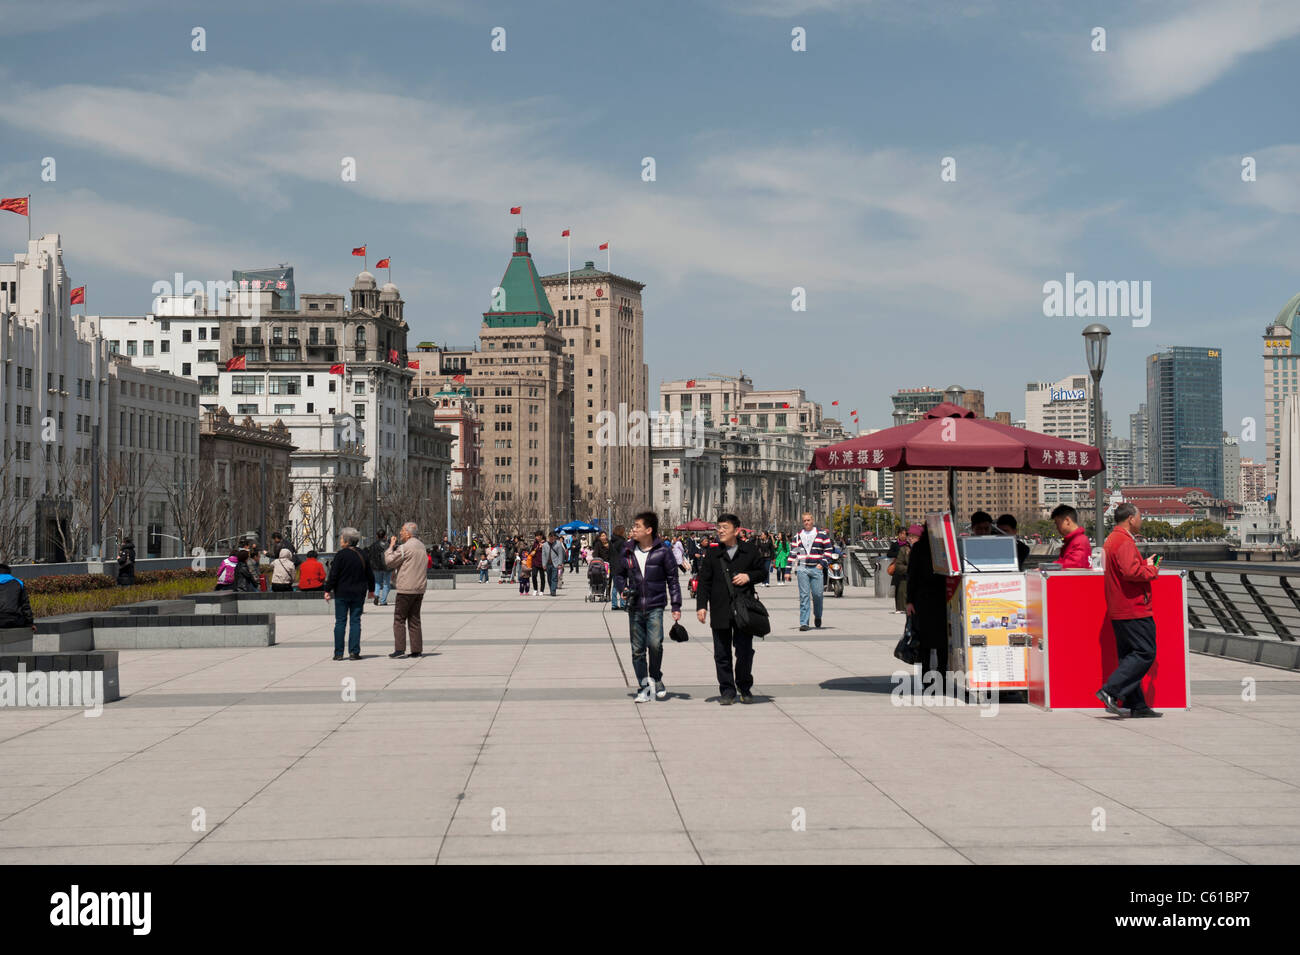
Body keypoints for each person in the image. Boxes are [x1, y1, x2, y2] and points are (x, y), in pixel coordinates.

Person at [1097, 503, 1163, 718]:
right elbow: (1130, 571)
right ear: (1131, 518)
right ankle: (1110, 691)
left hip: (1119, 608)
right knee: (1145, 652)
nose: (1141, 520)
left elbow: (1126, 568)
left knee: (1128, 657)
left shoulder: (1112, 540)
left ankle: (1138, 706)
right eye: (1140, 516)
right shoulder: (1123, 541)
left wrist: (1143, 564)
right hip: (1133, 607)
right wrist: (1151, 570)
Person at [696, 513, 768, 705]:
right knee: (721, 653)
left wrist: (748, 577)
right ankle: (727, 690)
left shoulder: (749, 550)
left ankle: (744, 687)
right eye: (718, 527)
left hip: (743, 611)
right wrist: (701, 606)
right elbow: (704, 582)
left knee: (744, 651)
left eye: (724, 528)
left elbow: (763, 571)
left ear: (736, 530)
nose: (720, 531)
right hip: (720, 609)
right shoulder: (713, 553)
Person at [611, 511, 682, 703]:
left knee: (655, 644)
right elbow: (618, 574)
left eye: (637, 526)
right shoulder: (627, 550)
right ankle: (644, 686)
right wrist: (622, 588)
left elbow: (673, 580)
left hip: (655, 605)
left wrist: (676, 605)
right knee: (637, 650)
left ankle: (656, 678)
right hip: (634, 606)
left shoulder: (663, 551)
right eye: (633, 526)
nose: (633, 529)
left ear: (649, 530)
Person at [906, 526, 951, 684]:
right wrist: (909, 601)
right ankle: (938, 676)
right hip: (933, 599)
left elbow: (912, 575)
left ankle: (934, 676)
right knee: (936, 642)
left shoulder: (922, 547)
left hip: (927, 599)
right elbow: (912, 574)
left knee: (931, 642)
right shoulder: (940, 546)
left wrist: (910, 600)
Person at [323, 527, 375, 661]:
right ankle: (354, 652)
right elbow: (369, 573)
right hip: (358, 593)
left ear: (346, 541)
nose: (340, 540)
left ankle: (338, 653)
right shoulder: (363, 554)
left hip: (342, 592)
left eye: (341, 538)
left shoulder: (340, 555)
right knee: (355, 621)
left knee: (340, 622)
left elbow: (333, 575)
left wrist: (327, 590)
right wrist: (371, 590)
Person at [385, 521, 427, 659]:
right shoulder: (422, 547)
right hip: (419, 588)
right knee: (415, 619)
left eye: (403, 531)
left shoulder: (404, 548)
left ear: (408, 534)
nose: (400, 533)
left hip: (406, 589)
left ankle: (399, 649)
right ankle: (416, 650)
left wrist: (391, 547)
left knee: (399, 619)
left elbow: (390, 561)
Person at [791, 511, 833, 631]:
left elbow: (829, 550)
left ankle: (818, 615)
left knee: (818, 595)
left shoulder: (822, 534)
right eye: (804, 521)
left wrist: (823, 564)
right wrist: (788, 569)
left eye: (808, 520)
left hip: (816, 568)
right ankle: (804, 622)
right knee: (804, 596)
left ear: (812, 521)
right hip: (802, 568)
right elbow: (793, 552)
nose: (807, 522)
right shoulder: (798, 536)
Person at [1052, 505, 1093, 569]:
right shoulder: (1073, 540)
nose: (1057, 527)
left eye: (1057, 523)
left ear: (1067, 521)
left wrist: (1049, 567)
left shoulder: (1079, 541)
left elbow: (1075, 564)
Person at [0, 563, 35, 632]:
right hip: (13, 620)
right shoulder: (18, 583)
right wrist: (30, 623)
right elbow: (25, 606)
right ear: (9, 572)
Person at [368, 531, 392, 606]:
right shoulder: (388, 545)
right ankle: (383, 600)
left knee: (377, 583)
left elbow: (370, 557)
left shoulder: (373, 545)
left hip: (376, 568)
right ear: (385, 536)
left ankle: (376, 595)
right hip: (386, 567)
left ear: (377, 536)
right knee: (386, 584)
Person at [608, 525, 628, 609]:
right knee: (622, 585)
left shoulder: (611, 541)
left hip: (613, 565)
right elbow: (624, 554)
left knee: (615, 586)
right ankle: (623, 604)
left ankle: (614, 604)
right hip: (620, 565)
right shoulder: (622, 542)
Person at [542, 531, 566, 596]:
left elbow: (560, 554)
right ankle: (551, 589)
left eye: (553, 538)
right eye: (550, 538)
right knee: (549, 578)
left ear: (555, 538)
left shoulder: (558, 544)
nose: (552, 540)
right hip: (548, 564)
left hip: (555, 564)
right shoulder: (544, 545)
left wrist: (560, 564)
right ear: (548, 537)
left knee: (554, 578)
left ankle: (553, 591)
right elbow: (543, 555)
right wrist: (544, 564)